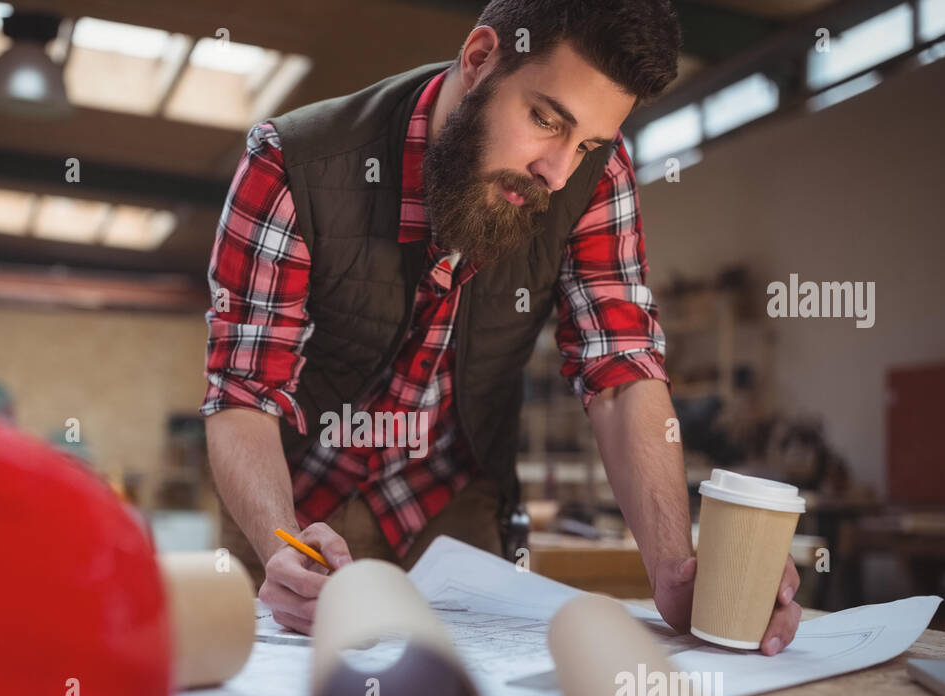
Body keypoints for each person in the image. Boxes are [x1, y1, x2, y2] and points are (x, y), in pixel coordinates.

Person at [200, 0, 801, 651]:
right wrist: (278, 542)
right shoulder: (291, 164)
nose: (559, 171)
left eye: (589, 143)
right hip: (295, 511)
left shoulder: (594, 177)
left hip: (455, 509)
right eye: (546, 119)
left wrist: (675, 569)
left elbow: (621, 369)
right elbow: (243, 396)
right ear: (481, 58)